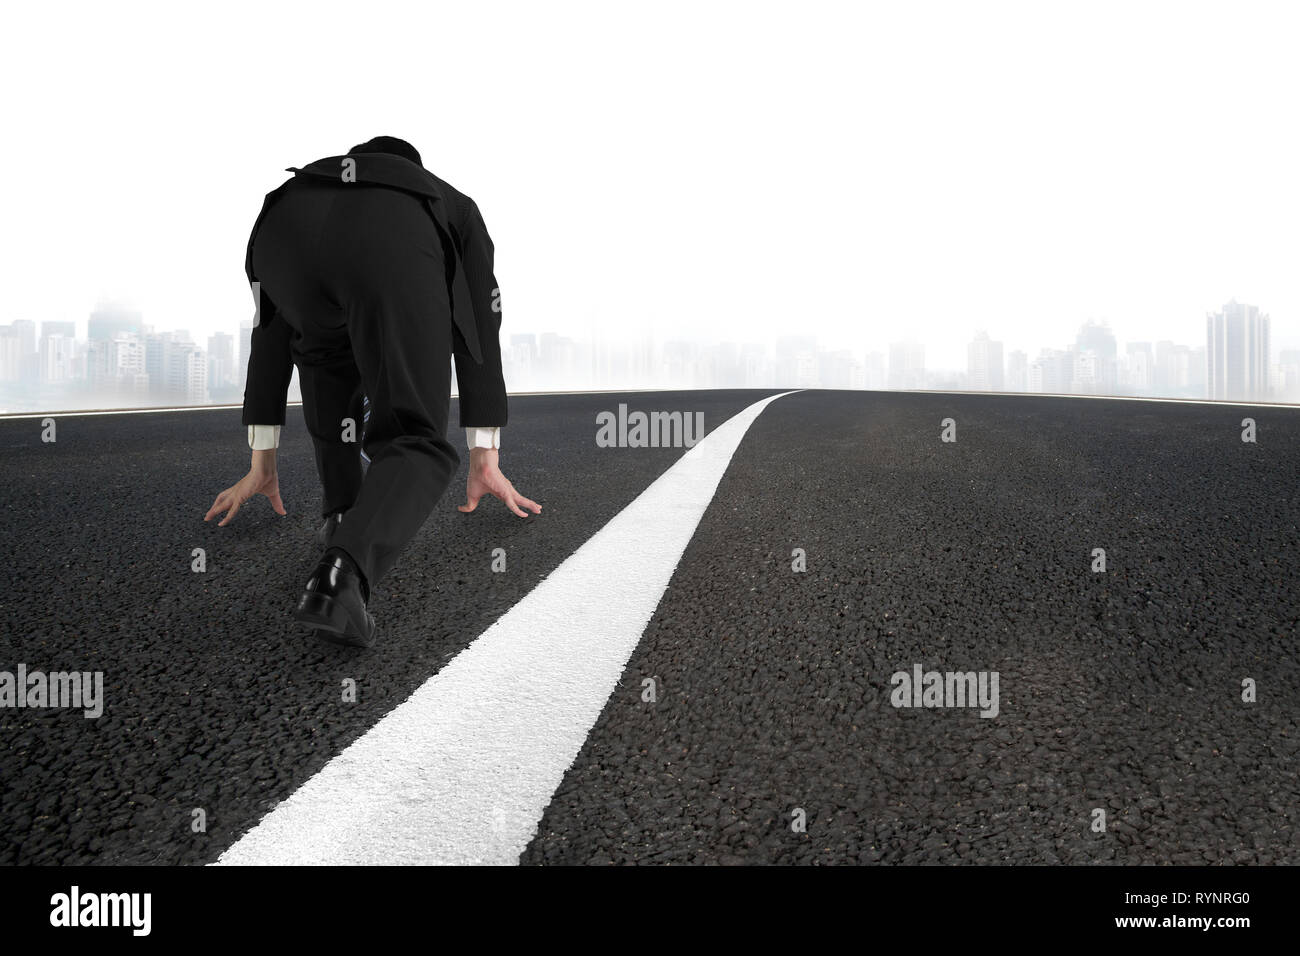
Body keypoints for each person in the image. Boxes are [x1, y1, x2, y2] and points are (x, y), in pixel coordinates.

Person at [205, 136, 540, 648]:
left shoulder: (309, 185)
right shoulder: (445, 202)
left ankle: (343, 514)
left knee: (322, 361)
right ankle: (340, 577)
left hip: (280, 231)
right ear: (411, 168)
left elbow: (269, 335)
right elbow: (478, 327)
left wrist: (262, 460)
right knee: (415, 437)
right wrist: (484, 451)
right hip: (387, 244)